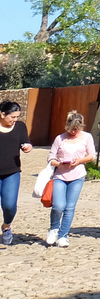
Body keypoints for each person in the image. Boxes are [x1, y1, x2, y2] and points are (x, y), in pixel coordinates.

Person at [46, 111, 96, 247]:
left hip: (77, 176)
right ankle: (53, 229)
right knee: (58, 206)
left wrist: (80, 160)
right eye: (72, 128)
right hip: (60, 176)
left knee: (69, 207)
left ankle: (63, 235)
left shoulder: (87, 137)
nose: (74, 131)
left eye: (77, 129)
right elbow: (50, 158)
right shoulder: (60, 139)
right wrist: (59, 163)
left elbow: (92, 155)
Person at [0, 101, 34, 246]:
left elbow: (25, 142)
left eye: (16, 117)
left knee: (9, 205)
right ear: (2, 114)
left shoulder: (20, 127)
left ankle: (6, 226)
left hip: (11, 173)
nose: (14, 120)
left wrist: (28, 147)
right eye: (12, 117)